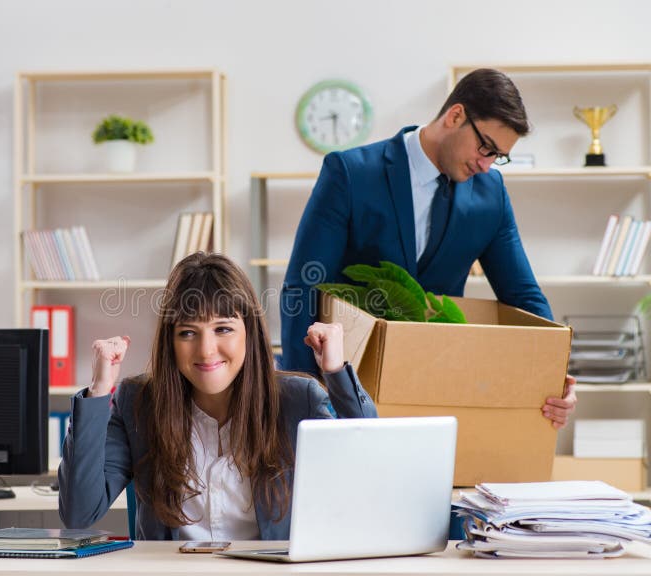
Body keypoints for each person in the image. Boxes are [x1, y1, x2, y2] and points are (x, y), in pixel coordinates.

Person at [280, 68, 576, 429]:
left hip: (439, 385)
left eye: (498, 157)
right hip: (348, 387)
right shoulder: (351, 173)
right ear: (455, 116)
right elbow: (303, 287)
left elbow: (522, 294)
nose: (486, 165)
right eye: (486, 148)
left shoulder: (491, 194)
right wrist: (301, 396)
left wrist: (556, 375)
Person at [58, 252, 377, 540]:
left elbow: (370, 471)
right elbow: (78, 513)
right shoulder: (137, 401)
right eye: (187, 333)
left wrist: (336, 372)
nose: (206, 350)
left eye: (223, 329)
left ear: (249, 333)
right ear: (170, 343)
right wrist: (99, 390)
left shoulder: (297, 400)